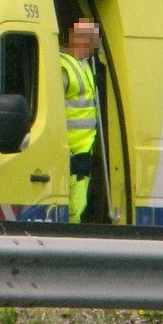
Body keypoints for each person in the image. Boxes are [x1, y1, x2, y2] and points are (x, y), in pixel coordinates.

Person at [60, 18, 101, 221]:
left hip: (83, 149)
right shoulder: (63, 67)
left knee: (78, 204)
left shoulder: (82, 63)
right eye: (91, 40)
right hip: (70, 151)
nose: (94, 45)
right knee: (74, 208)